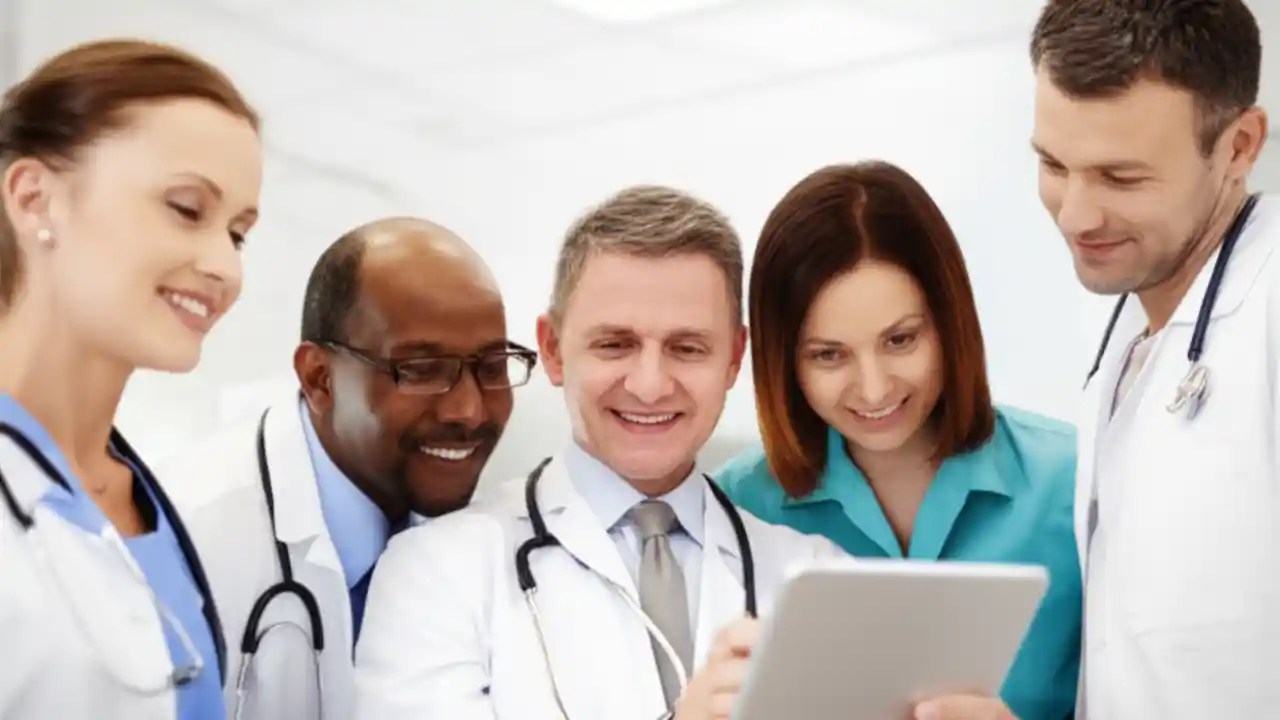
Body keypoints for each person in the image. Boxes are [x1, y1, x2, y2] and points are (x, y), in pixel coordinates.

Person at [351, 185, 1018, 720]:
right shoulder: (435, 575)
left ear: (734, 357)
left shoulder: (815, 576)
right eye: (615, 344)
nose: (649, 384)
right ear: (553, 350)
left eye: (687, 347)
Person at [714, 161, 1080, 720]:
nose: (874, 387)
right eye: (828, 354)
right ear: (782, 361)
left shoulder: (1075, 481)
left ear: (949, 322)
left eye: (901, 339)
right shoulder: (732, 509)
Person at [156, 217, 534, 719]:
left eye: (491, 368)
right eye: (421, 371)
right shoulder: (187, 539)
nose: (468, 411)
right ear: (319, 379)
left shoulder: (511, 533)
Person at [1028, 1, 1279, 717]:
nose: (1075, 215)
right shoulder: (1129, 325)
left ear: (1238, 146)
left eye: (1121, 178)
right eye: (1052, 164)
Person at [0, 39, 262, 719]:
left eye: (237, 233)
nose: (226, 269)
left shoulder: (141, 500)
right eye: (185, 208)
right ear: (34, 199)